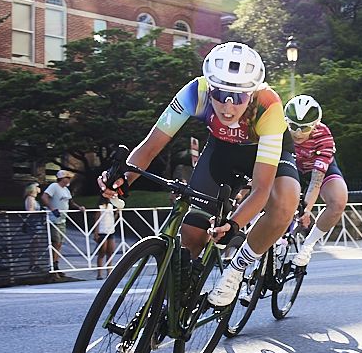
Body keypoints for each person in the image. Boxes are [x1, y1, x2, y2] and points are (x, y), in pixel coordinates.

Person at [100, 42, 300, 307]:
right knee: (192, 234)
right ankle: (175, 305)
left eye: (238, 97)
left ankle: (237, 269)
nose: (228, 107)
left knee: (285, 203)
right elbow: (150, 147)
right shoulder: (195, 92)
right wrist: (124, 179)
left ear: (252, 93)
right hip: (222, 152)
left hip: (267, 153)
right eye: (220, 94)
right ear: (209, 87)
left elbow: (261, 188)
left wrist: (234, 225)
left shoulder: (268, 105)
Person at [284, 95, 349, 267]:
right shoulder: (279, 129)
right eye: (293, 126)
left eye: (305, 128)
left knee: (338, 201)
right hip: (292, 167)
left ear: (315, 125)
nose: (298, 133)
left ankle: (308, 245)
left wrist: (306, 210)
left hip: (318, 170)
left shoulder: (323, 135)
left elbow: (316, 181)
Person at [41, 169, 87, 281]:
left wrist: (79, 207)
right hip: (53, 220)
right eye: (67, 178)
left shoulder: (66, 190)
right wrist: (52, 209)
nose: (69, 180)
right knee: (55, 242)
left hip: (62, 220)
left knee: (60, 243)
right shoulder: (54, 186)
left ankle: (56, 265)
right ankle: (52, 267)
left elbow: (70, 202)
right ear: (62, 178)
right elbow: (44, 197)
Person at [94, 194, 124, 279]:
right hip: (102, 231)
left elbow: (112, 218)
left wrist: (117, 213)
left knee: (110, 252)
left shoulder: (110, 206)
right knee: (102, 252)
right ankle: (99, 273)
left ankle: (109, 271)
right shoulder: (100, 207)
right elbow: (97, 220)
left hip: (110, 231)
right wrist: (96, 232)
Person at [22, 182, 45, 272]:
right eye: (37, 187)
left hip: (37, 223)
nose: (39, 188)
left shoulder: (33, 199)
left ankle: (34, 263)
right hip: (33, 224)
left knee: (36, 244)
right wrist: (40, 212)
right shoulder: (30, 199)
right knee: (34, 245)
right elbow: (30, 211)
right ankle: (32, 264)